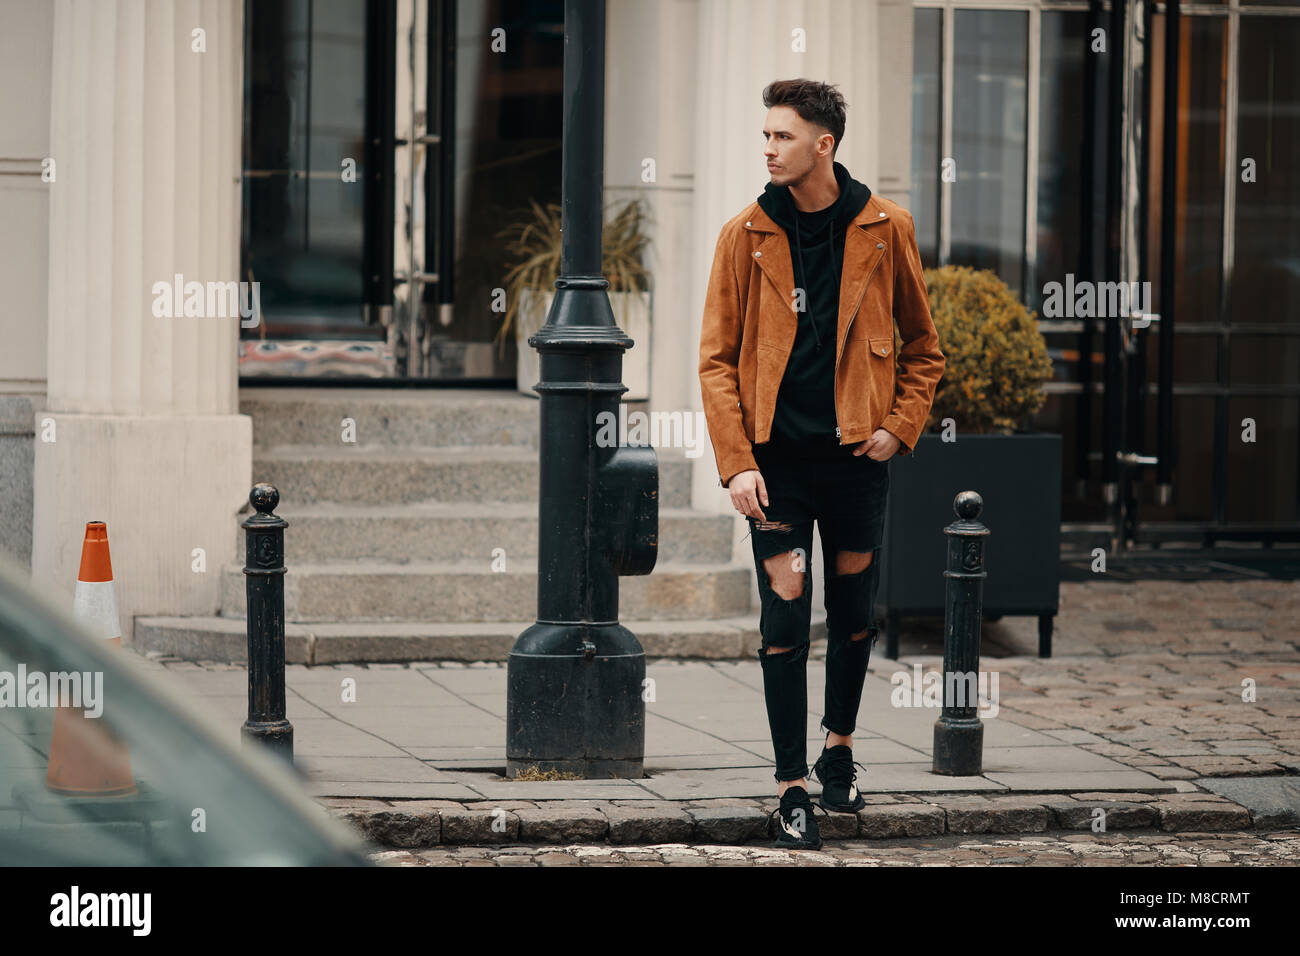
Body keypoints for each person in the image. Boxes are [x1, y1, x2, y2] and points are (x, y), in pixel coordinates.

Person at [698, 78, 945, 849]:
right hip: (775, 469)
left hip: (854, 463)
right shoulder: (745, 235)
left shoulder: (885, 227)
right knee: (783, 616)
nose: (768, 148)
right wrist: (736, 464)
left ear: (823, 144)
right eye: (766, 135)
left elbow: (924, 349)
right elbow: (715, 362)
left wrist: (899, 429)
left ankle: (838, 748)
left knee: (852, 615)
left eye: (783, 136)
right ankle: (790, 785)